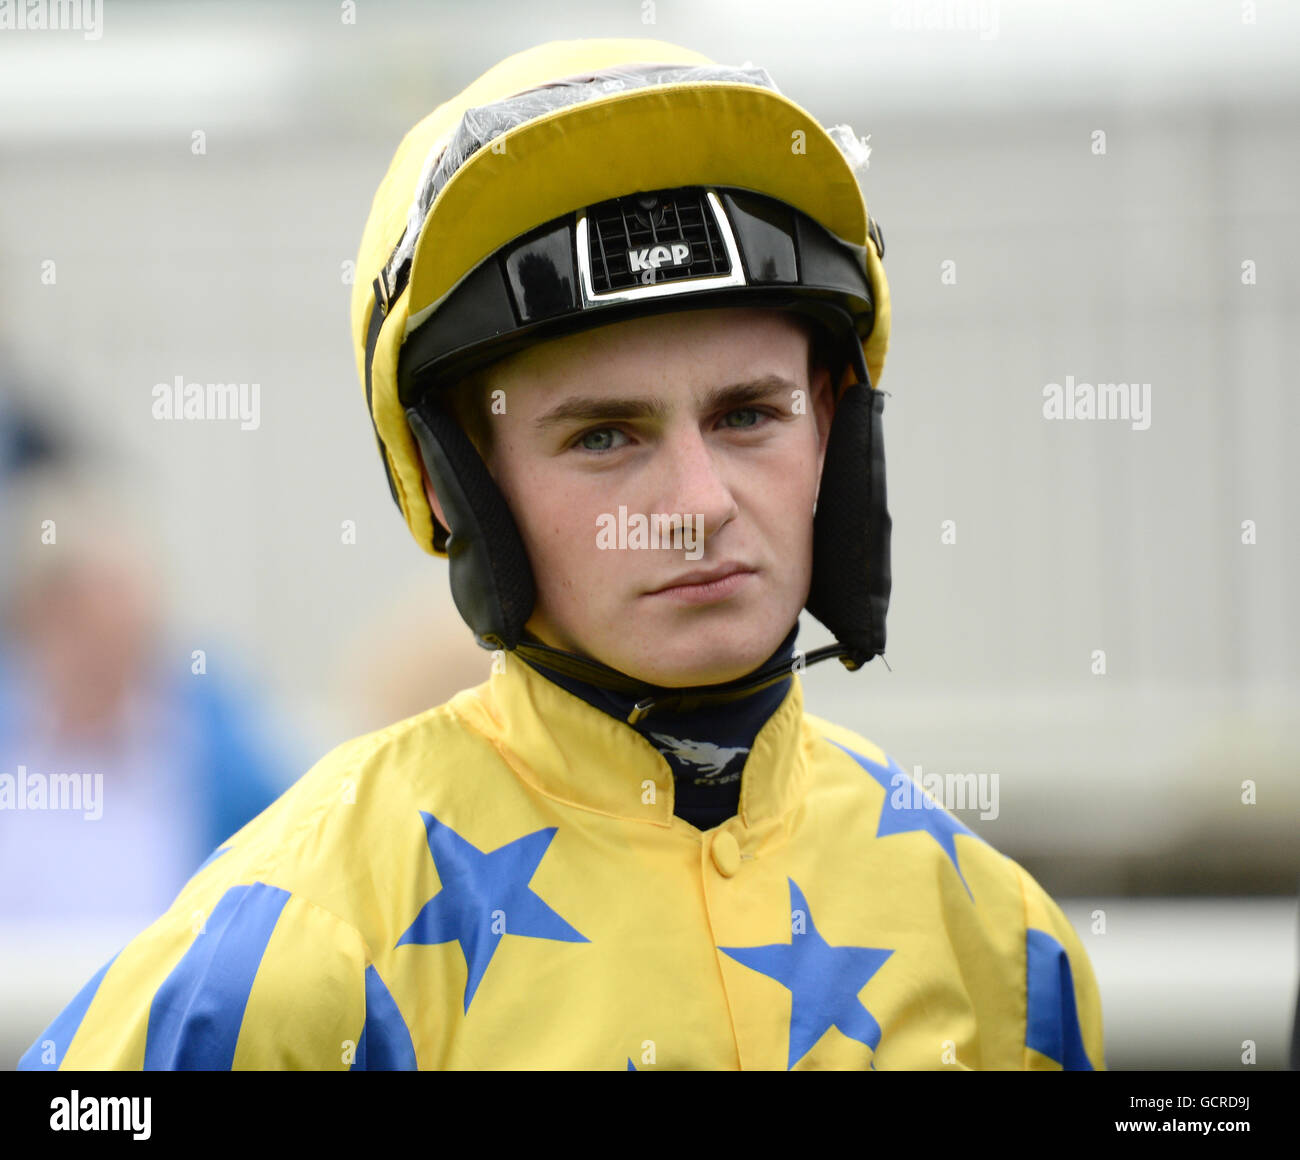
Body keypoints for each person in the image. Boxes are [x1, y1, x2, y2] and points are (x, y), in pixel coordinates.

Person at [19, 37, 1104, 1071]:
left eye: (746, 415)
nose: (698, 505)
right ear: (453, 480)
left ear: (830, 422)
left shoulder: (1002, 948)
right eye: (604, 437)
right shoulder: (299, 941)